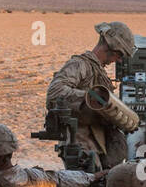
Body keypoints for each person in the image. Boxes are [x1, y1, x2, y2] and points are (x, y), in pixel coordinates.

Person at [45, 21, 136, 170]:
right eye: (119, 54)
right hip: (81, 144)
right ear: (110, 46)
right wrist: (91, 98)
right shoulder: (80, 65)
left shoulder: (98, 71)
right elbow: (55, 92)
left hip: (98, 144)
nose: (119, 60)